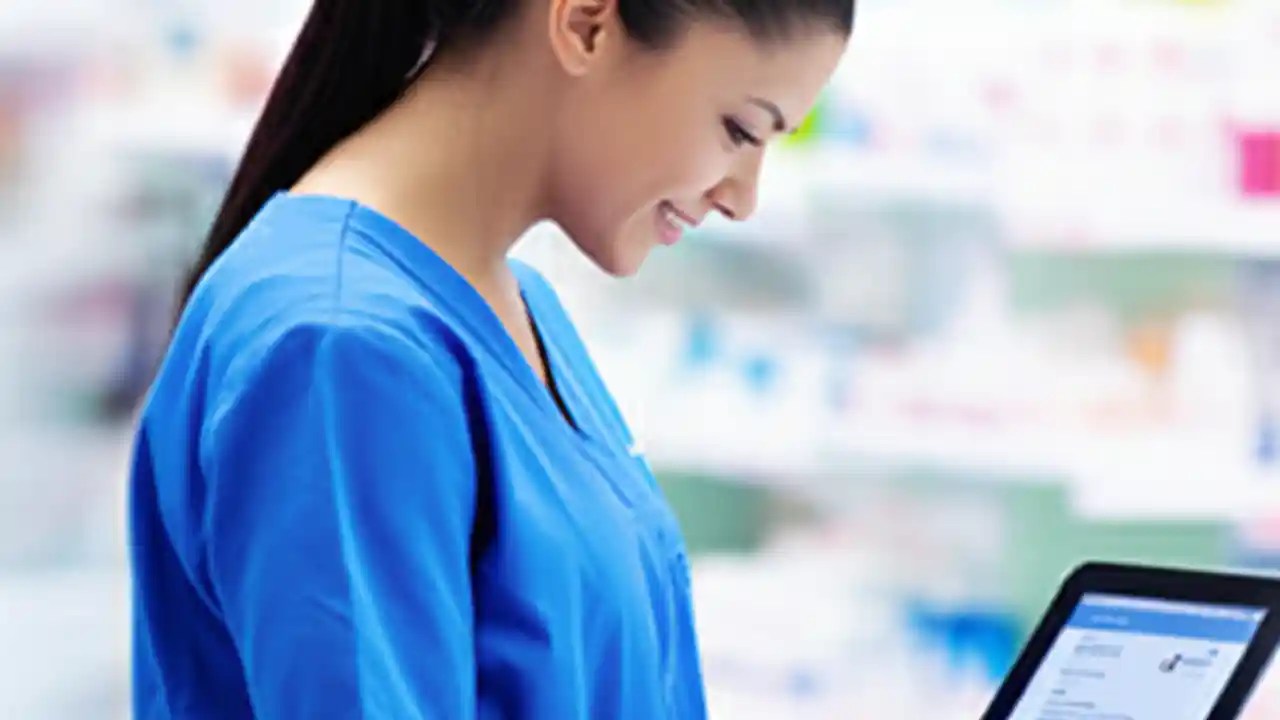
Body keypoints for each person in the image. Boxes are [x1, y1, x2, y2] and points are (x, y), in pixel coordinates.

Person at [128, 0, 852, 717]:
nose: (742, 197)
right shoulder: (343, 351)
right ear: (585, 24)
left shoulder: (508, 304)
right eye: (739, 130)